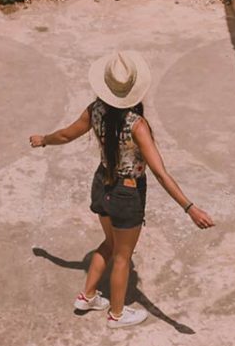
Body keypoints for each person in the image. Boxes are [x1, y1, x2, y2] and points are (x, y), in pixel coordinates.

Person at [29, 49, 214, 327]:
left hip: (101, 184)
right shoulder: (137, 125)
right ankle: (117, 314)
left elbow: (67, 134)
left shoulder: (95, 111)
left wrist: (43, 139)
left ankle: (88, 296)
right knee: (122, 257)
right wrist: (190, 208)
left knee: (110, 243)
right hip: (126, 195)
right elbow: (160, 173)